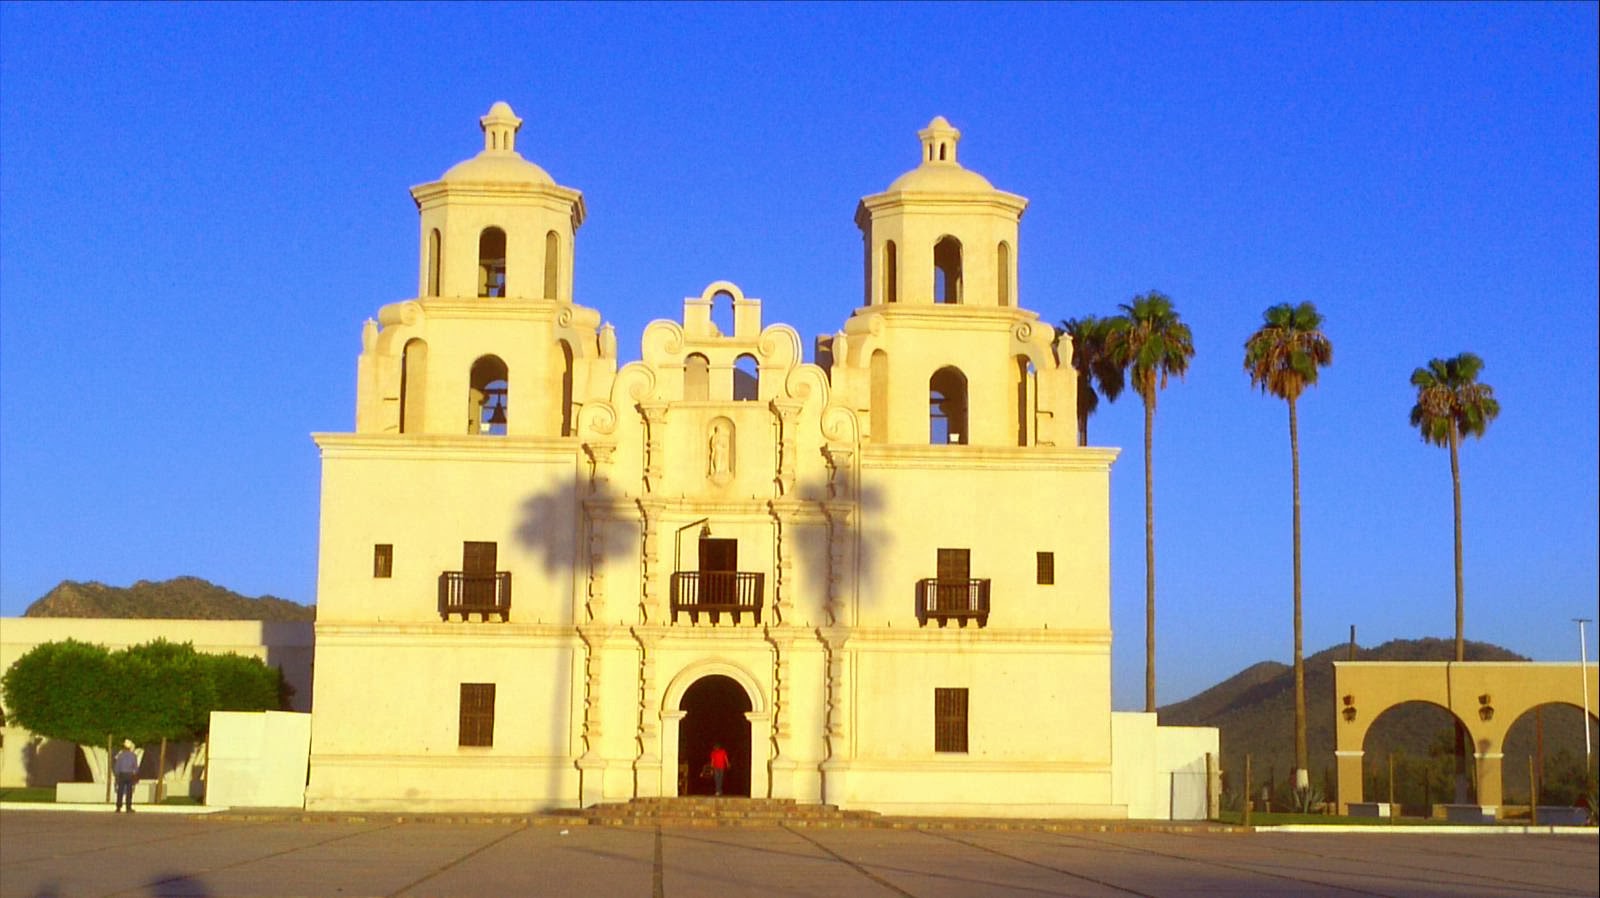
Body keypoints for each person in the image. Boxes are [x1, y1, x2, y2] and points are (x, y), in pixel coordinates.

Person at [113, 740, 139, 813]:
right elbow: (135, 767)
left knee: (120, 791)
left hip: (122, 774)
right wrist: (135, 774)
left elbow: (117, 766)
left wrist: (116, 775)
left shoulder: (120, 755)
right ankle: (128, 807)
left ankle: (118, 807)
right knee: (129, 792)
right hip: (130, 775)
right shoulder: (133, 756)